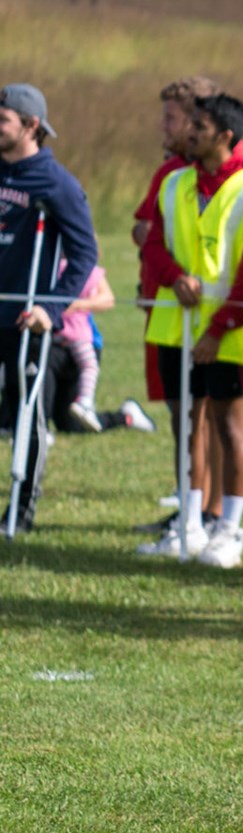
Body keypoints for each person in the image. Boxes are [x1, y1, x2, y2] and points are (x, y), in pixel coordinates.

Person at [135, 93, 243, 569]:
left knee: (228, 425)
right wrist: (175, 276)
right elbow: (152, 242)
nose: (189, 133)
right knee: (187, 427)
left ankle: (228, 530)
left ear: (224, 136)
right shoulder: (174, 182)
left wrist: (218, 330)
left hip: (228, 335)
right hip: (176, 327)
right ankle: (191, 524)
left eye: (199, 126)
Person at [0, 83, 98, 533]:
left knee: (27, 410)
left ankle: (21, 508)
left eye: (3, 121)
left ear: (31, 126)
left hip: (25, 319)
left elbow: (84, 255)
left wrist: (50, 308)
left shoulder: (56, 183)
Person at [53, 261, 118, 432]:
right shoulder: (84, 269)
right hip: (74, 335)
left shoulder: (62, 266)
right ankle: (85, 401)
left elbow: (108, 299)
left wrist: (77, 304)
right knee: (89, 366)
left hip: (65, 334)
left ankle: (120, 415)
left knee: (70, 424)